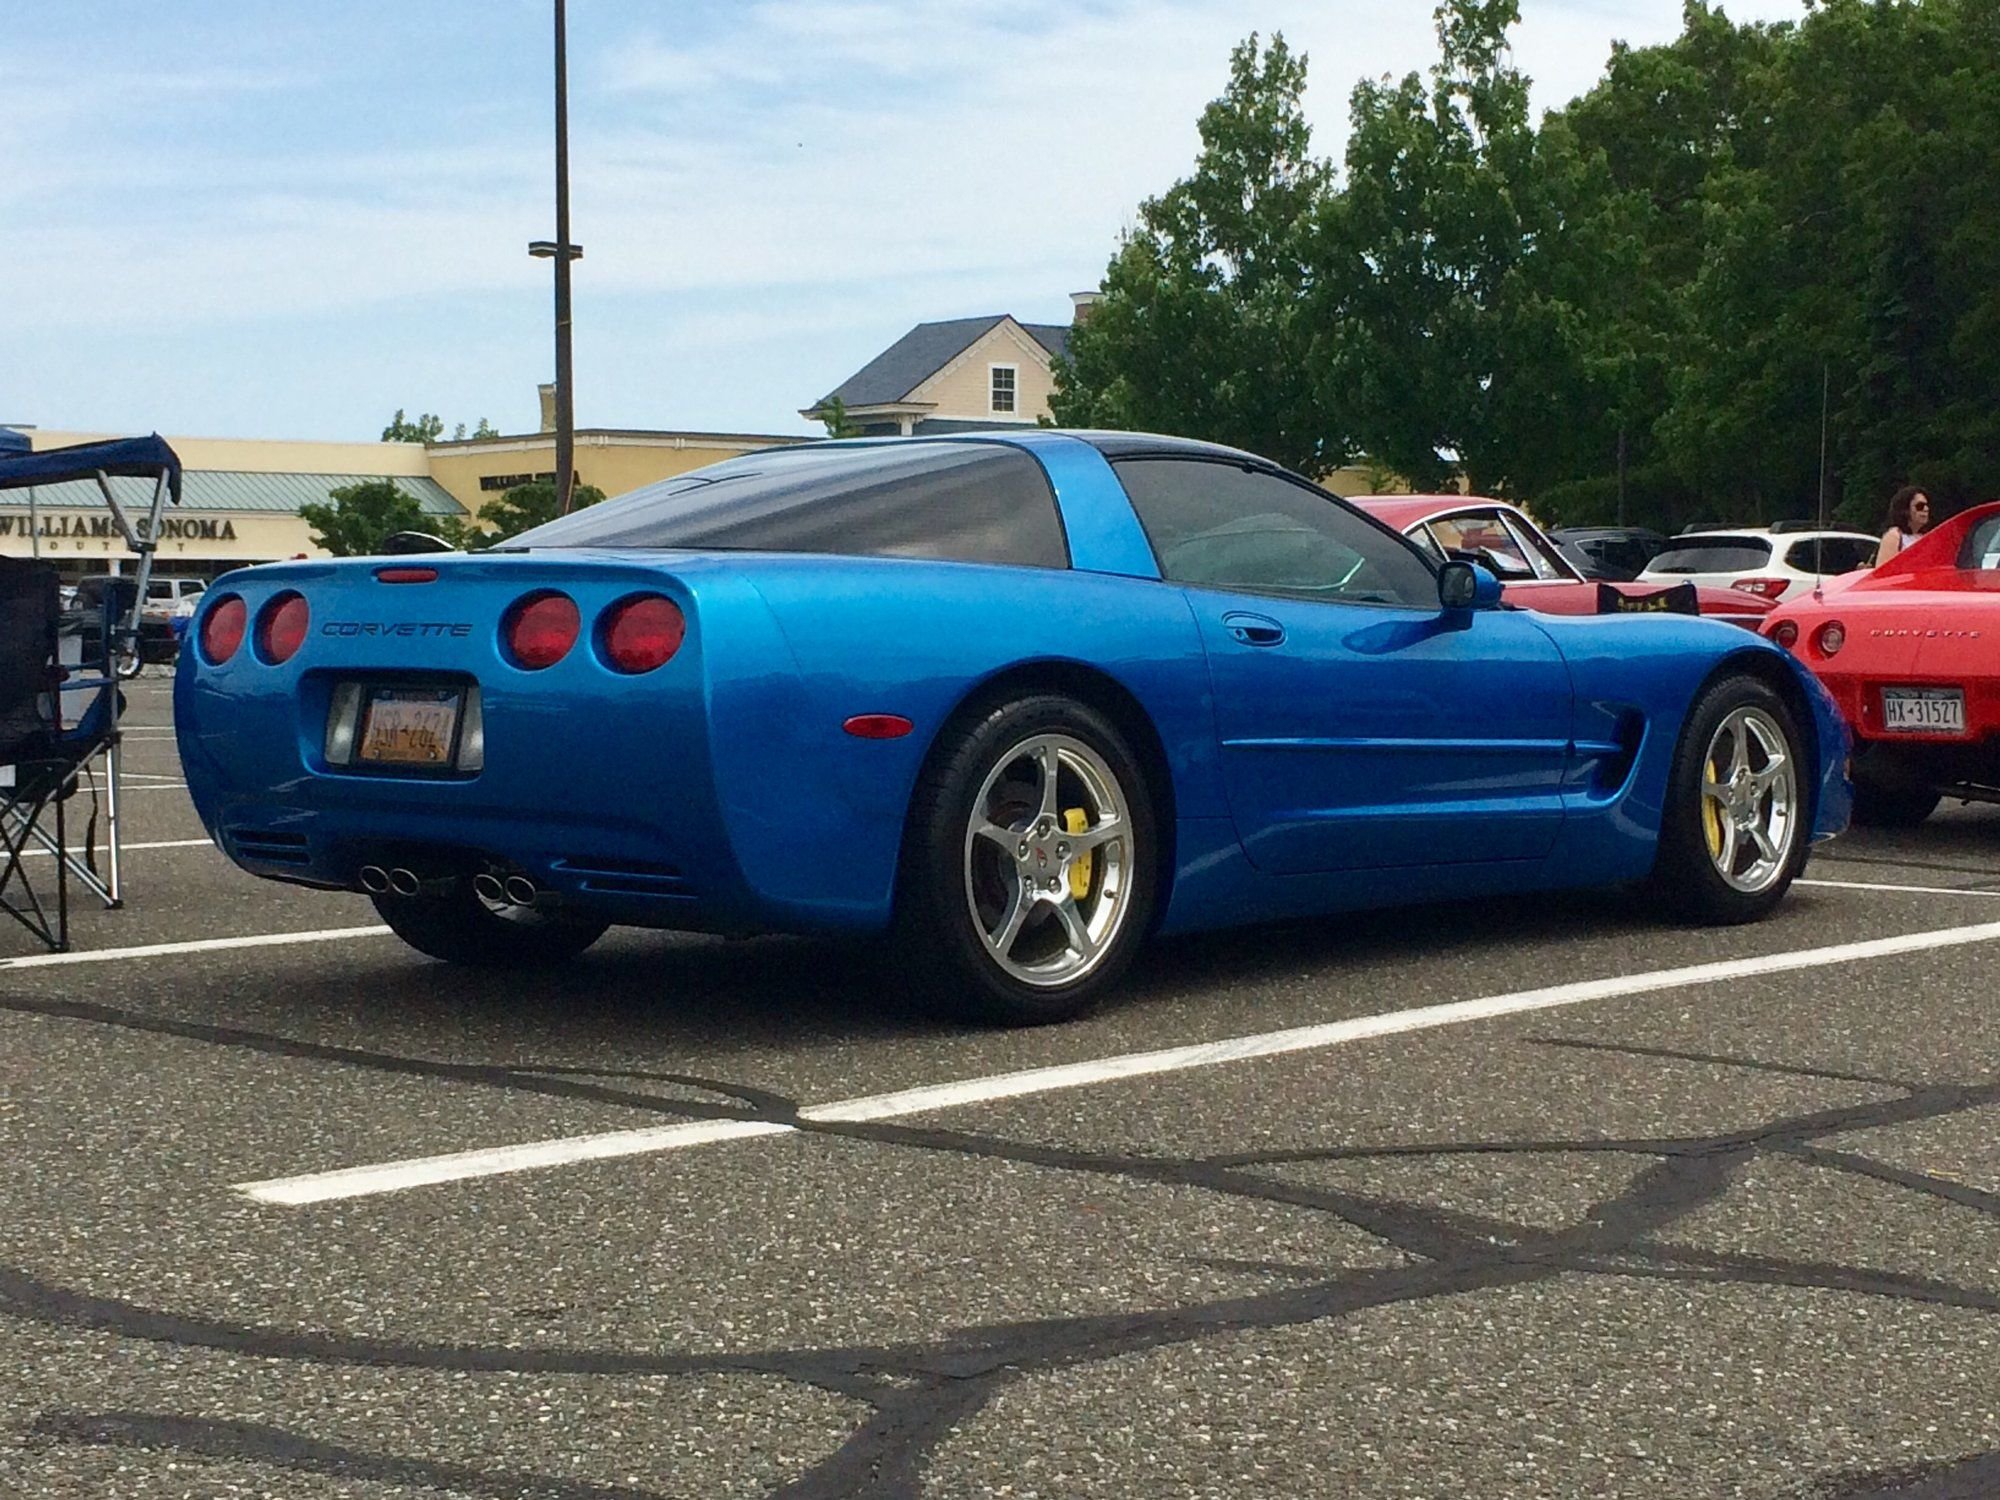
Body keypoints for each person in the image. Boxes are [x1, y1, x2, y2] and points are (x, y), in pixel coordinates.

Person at [1875, 485, 1932, 566]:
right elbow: (1882, 571)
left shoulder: (1925, 536)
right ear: (1905, 509)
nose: (1926, 509)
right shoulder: (1894, 536)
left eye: (1927, 506)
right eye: (1920, 506)